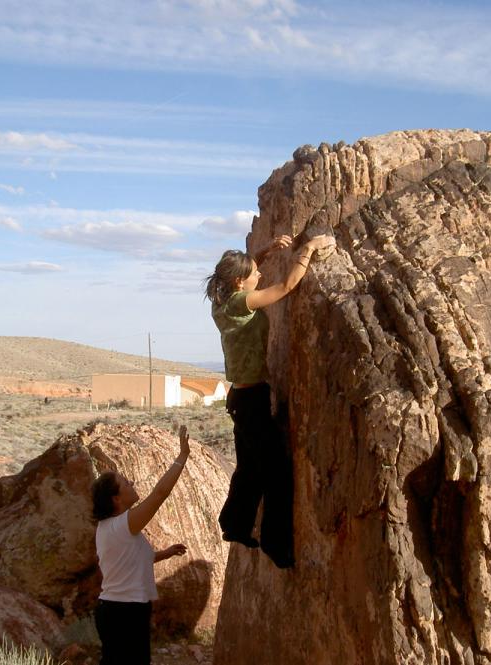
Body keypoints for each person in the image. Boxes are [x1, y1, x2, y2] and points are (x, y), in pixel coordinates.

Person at [204, 233, 336, 569]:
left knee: (250, 467)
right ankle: (277, 546)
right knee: (276, 474)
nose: (259, 275)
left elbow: (248, 274)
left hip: (242, 397)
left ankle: (234, 524)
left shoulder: (221, 300)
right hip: (250, 402)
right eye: (253, 274)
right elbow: (286, 286)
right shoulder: (240, 302)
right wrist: (306, 250)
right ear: (239, 281)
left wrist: (264, 252)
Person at [91, 425, 190, 665]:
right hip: (124, 613)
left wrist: (165, 554)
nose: (131, 481)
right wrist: (182, 457)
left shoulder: (112, 528)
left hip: (119, 610)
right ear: (116, 499)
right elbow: (159, 494)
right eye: (125, 483)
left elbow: (132, 561)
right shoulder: (123, 525)